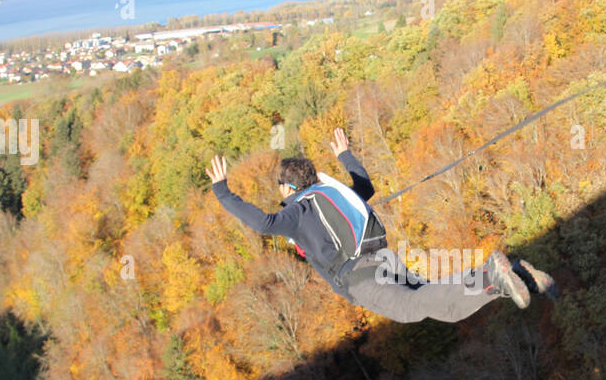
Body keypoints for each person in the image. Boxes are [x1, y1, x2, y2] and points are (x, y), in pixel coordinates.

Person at [205, 127, 555, 323]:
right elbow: (365, 187)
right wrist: (345, 155)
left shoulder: (297, 209)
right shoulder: (332, 192)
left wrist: (222, 192)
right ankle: (513, 277)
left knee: (413, 308)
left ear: (288, 187)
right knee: (433, 300)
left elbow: (264, 223)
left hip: (361, 277)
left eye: (280, 188)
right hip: (384, 260)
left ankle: (493, 276)